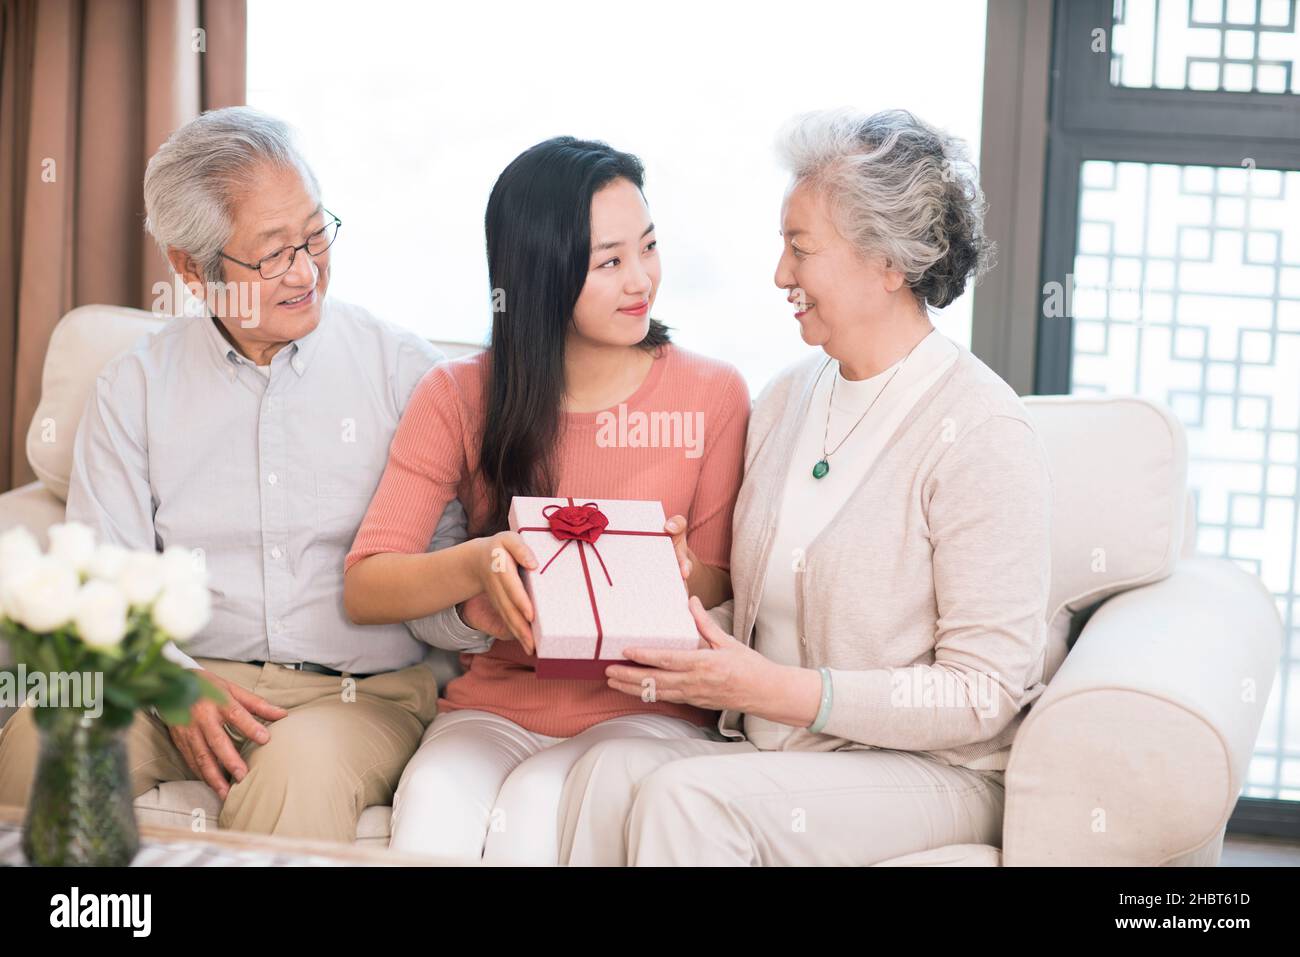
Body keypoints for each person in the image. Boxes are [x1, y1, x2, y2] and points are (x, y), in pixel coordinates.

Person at [556, 108, 1054, 866]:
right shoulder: (789, 397)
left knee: (685, 798)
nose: (780, 275)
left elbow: (981, 691)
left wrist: (785, 691)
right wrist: (670, 594)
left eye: (800, 248)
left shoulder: (981, 431)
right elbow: (763, 620)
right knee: (605, 767)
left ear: (887, 263)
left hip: (923, 772)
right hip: (780, 748)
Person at [0, 107, 477, 844]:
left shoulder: (405, 374)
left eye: (317, 235)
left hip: (351, 695)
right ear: (192, 269)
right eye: (275, 253)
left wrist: (479, 607)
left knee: (295, 776)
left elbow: (436, 590)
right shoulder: (135, 388)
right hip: (174, 680)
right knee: (47, 735)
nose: (307, 269)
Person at [343, 136, 750, 863]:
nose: (642, 281)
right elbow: (368, 582)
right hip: (496, 706)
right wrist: (478, 563)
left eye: (648, 247)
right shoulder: (458, 394)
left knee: (537, 804)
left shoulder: (713, 394)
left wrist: (682, 573)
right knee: (435, 797)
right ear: (539, 273)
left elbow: (721, 580)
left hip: (645, 711)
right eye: (609, 262)